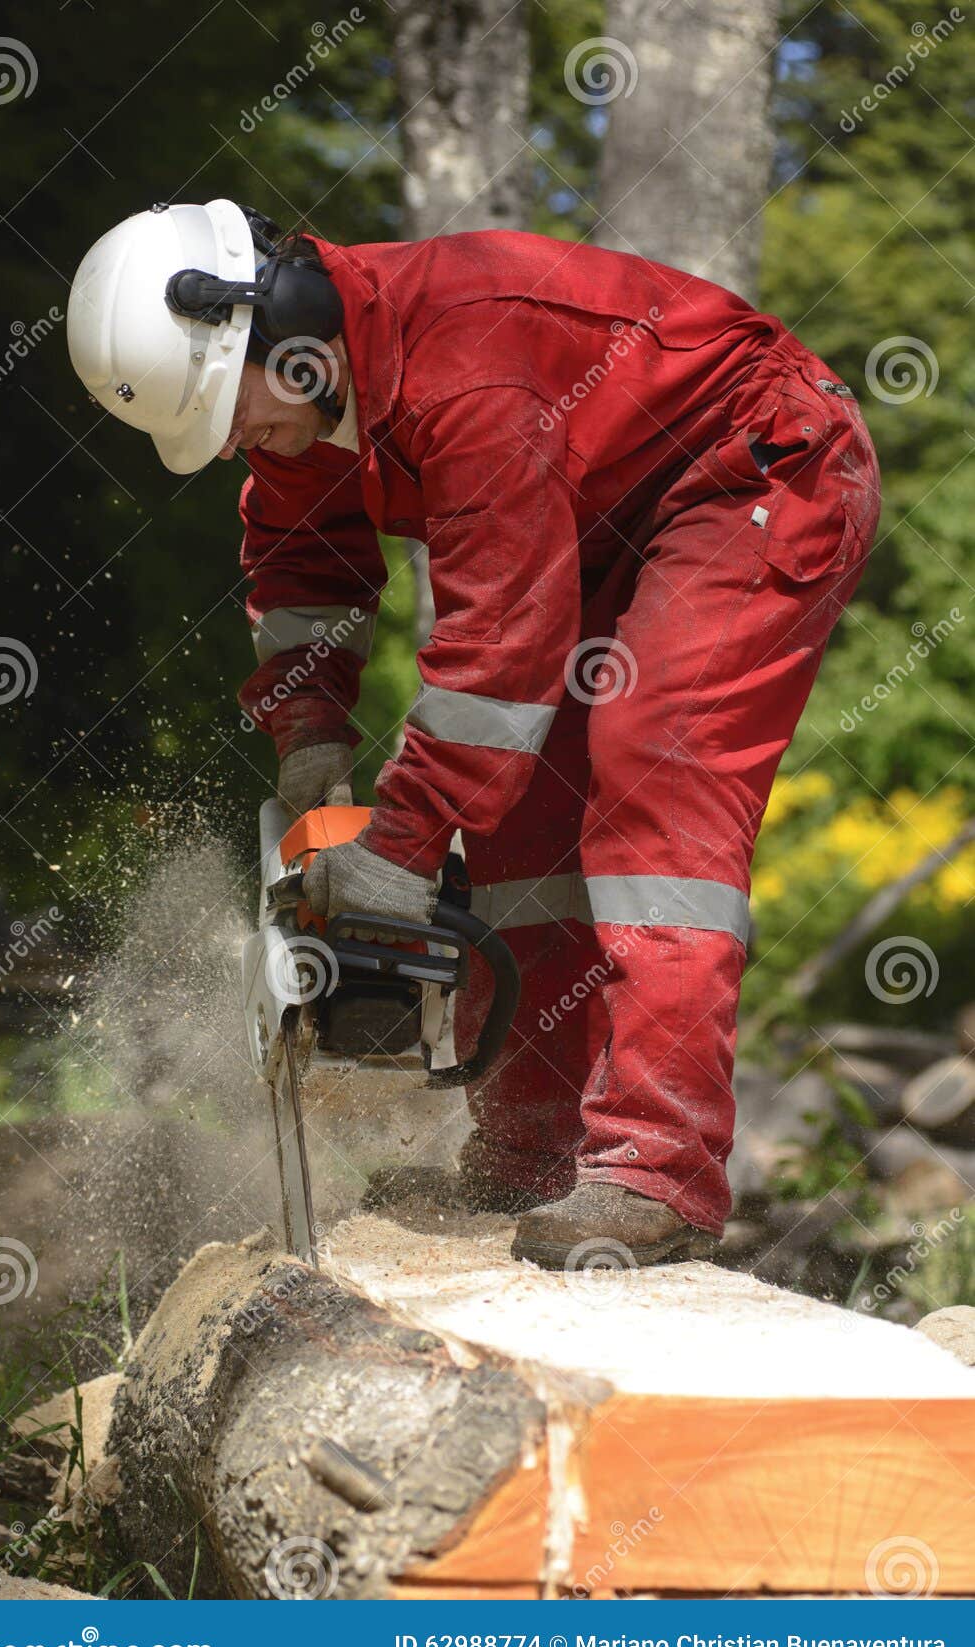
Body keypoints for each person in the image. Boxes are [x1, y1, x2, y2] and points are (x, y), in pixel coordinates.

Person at [67, 199, 880, 1269]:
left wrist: (395, 851)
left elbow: (499, 656)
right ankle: (529, 1149)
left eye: (230, 414)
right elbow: (302, 567)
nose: (230, 449)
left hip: (754, 472)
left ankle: (655, 1169)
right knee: (518, 814)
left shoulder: (468, 364)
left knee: (649, 774)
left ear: (283, 323)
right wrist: (311, 739)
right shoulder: (311, 393)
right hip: (598, 514)